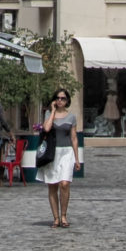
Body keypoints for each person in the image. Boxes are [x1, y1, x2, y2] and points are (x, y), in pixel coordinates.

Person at [37, 88, 82, 228]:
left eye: (63, 98)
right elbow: (46, 128)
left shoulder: (71, 117)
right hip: (52, 153)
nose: (60, 100)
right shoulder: (49, 114)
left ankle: (64, 215)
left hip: (66, 152)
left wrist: (77, 158)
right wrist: (52, 112)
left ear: (67, 100)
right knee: (52, 185)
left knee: (64, 183)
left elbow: (74, 138)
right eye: (58, 98)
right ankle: (56, 217)